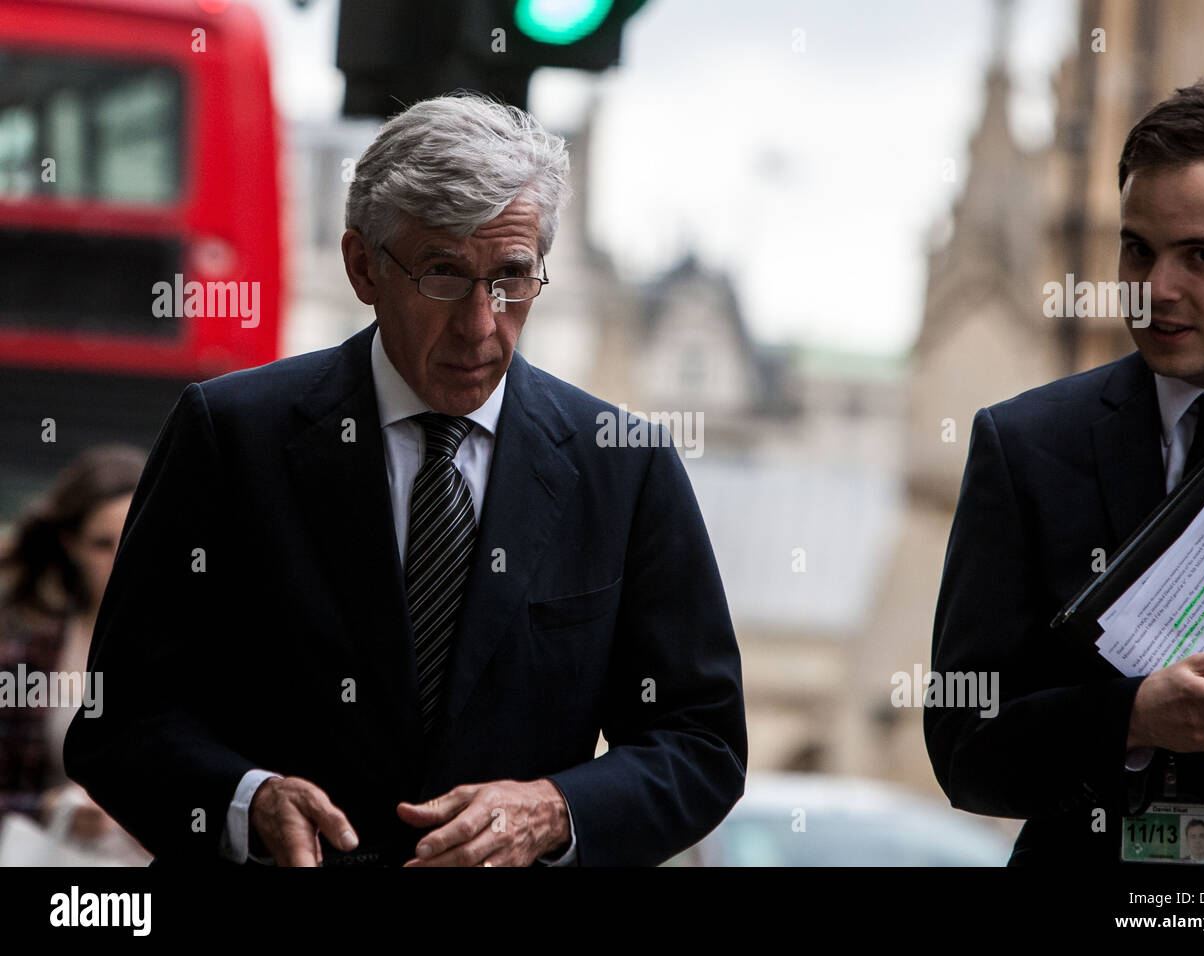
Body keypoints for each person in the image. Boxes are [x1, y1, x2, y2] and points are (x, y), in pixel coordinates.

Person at [63, 92, 746, 867]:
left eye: (513, 278)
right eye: (445, 276)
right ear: (363, 267)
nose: (482, 325)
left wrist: (555, 810)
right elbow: (119, 725)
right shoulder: (230, 436)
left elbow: (700, 742)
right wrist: (246, 799)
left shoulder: (624, 464)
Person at [926, 75, 1204, 865]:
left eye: (1201, 255)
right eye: (1138, 249)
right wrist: (1131, 716)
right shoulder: (1023, 444)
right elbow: (964, 746)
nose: (1155, 291)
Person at [0, 445, 150, 865]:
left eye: (134, 537)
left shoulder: (204, 648)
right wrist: (49, 807)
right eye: (103, 544)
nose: (120, 560)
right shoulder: (31, 655)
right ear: (72, 545)